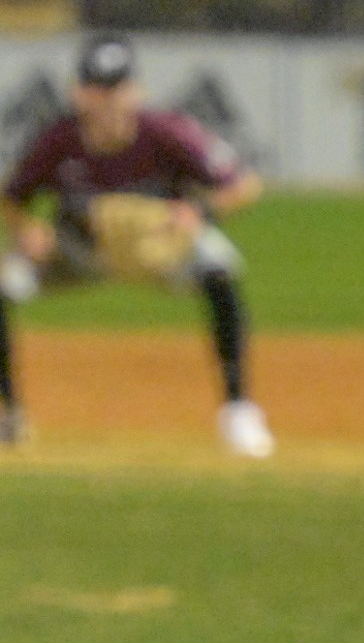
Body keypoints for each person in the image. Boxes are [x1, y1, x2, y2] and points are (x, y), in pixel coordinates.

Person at [0, 34, 273, 457]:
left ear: (135, 91)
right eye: (95, 87)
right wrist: (27, 227)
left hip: (158, 247)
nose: (106, 99)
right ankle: (8, 415)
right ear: (78, 92)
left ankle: (239, 410)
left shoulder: (166, 132)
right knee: (3, 283)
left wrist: (199, 212)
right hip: (80, 249)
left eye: (116, 87)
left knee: (220, 270)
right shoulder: (58, 139)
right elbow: (11, 197)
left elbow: (245, 185)